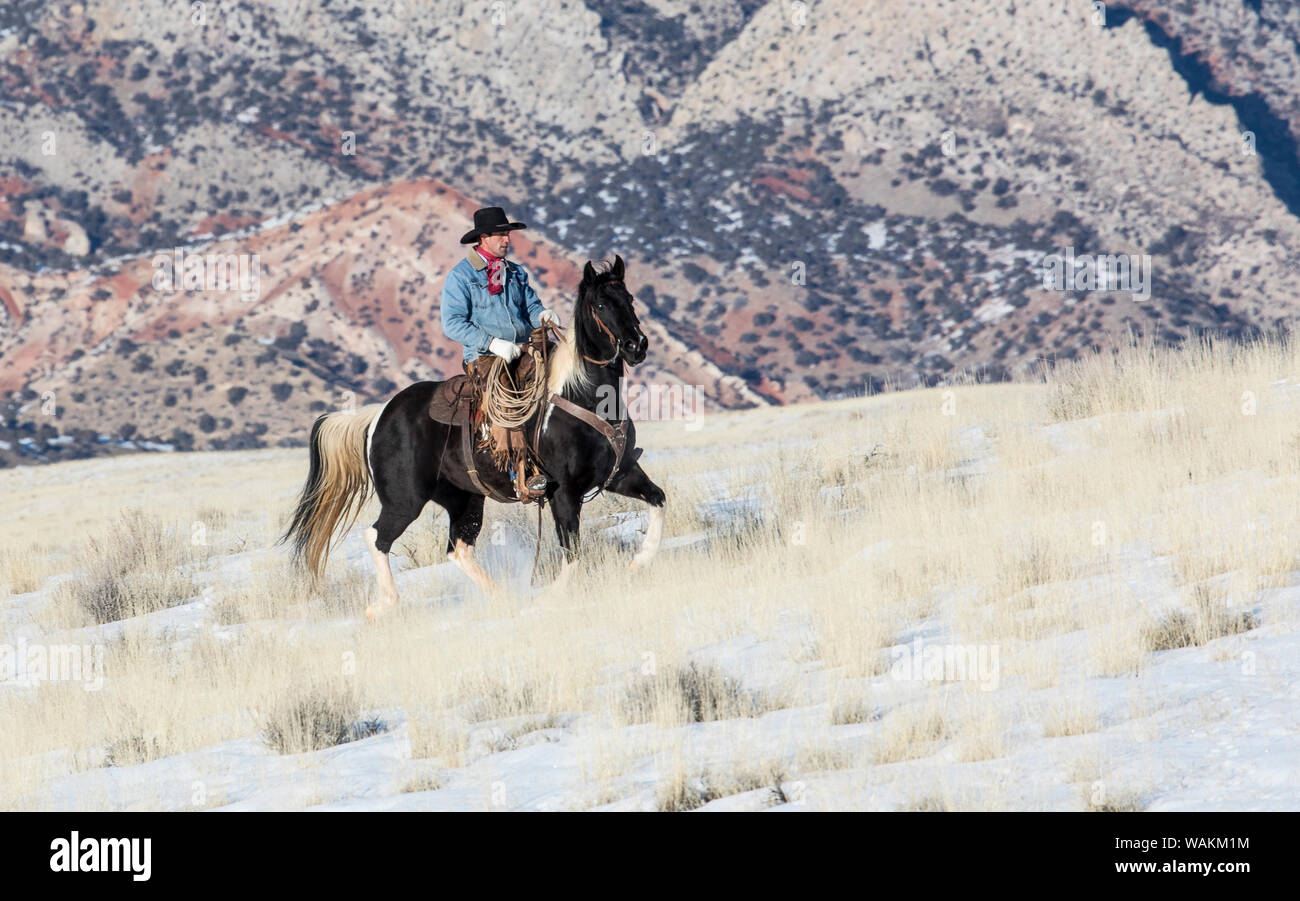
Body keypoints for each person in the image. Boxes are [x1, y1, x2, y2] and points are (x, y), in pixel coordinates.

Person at [440, 207, 561, 500]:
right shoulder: (461, 276)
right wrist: (491, 343)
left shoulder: (516, 272)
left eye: (507, 233)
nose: (507, 239)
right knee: (508, 396)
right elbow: (452, 323)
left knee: (565, 374)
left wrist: (542, 315)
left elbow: (530, 308)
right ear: (483, 238)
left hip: (524, 349)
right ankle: (520, 474)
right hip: (485, 357)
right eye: (500, 234)